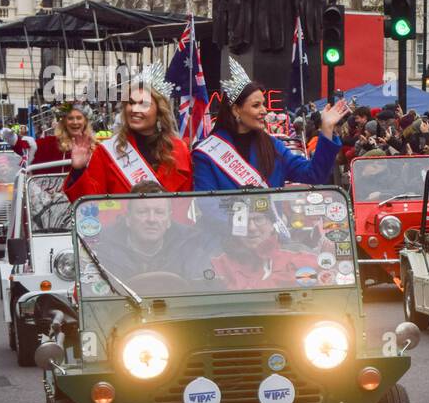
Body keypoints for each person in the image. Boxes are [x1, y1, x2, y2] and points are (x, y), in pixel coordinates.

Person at [193, 78, 348, 192]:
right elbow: (207, 205)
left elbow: (314, 175)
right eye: (256, 105)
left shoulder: (273, 146)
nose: (264, 111)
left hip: (269, 234)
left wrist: (327, 129)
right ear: (236, 110)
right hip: (226, 234)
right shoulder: (208, 152)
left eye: (263, 104)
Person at [65, 73, 193, 199]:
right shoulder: (107, 151)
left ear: (159, 111)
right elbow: (89, 207)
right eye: (131, 103)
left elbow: (187, 202)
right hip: (119, 220)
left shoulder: (179, 150)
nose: (134, 109)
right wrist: (78, 170)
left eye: (143, 104)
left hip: (170, 220)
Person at [90, 186, 208, 282]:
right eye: (142, 212)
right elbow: (93, 299)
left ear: (169, 220)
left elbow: (205, 294)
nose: (151, 219)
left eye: (159, 212)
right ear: (128, 218)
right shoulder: (102, 253)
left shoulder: (189, 249)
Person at [211, 206, 320, 289]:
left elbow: (325, 281)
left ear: (272, 225)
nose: (251, 228)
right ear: (234, 229)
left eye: (259, 219)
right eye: (242, 220)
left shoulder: (299, 258)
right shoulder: (219, 266)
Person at [30, 102, 96, 173]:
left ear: (85, 121)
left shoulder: (95, 146)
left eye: (79, 118)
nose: (75, 122)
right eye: (70, 118)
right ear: (64, 122)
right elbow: (24, 148)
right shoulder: (46, 144)